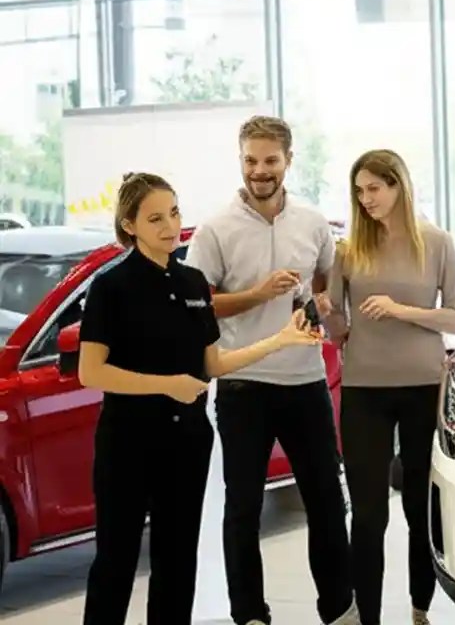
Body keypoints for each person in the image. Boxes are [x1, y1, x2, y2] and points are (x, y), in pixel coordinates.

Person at [79, 172, 322, 625]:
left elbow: (213, 364)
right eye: (155, 219)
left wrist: (281, 340)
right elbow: (90, 371)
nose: (170, 226)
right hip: (128, 443)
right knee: (116, 559)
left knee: (177, 561)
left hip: (187, 442)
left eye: (174, 213)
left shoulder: (193, 282)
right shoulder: (110, 286)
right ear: (130, 225)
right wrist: (166, 384)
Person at [183, 116, 358, 625]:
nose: (259, 170)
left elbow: (323, 284)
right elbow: (198, 305)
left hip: (305, 382)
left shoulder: (312, 223)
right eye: (250, 160)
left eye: (270, 161)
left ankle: (339, 610)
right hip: (243, 385)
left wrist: (317, 306)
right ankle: (250, 615)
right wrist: (259, 294)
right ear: (240, 160)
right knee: (242, 509)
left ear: (288, 161)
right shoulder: (216, 230)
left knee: (327, 502)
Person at [317, 149, 455, 625]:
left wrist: (402, 310)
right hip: (365, 391)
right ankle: (368, 617)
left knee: (418, 509)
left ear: (398, 186)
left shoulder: (437, 243)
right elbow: (339, 330)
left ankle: (420, 610)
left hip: (424, 388)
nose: (366, 199)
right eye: (359, 191)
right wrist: (326, 313)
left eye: (374, 188)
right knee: (368, 516)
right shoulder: (348, 250)